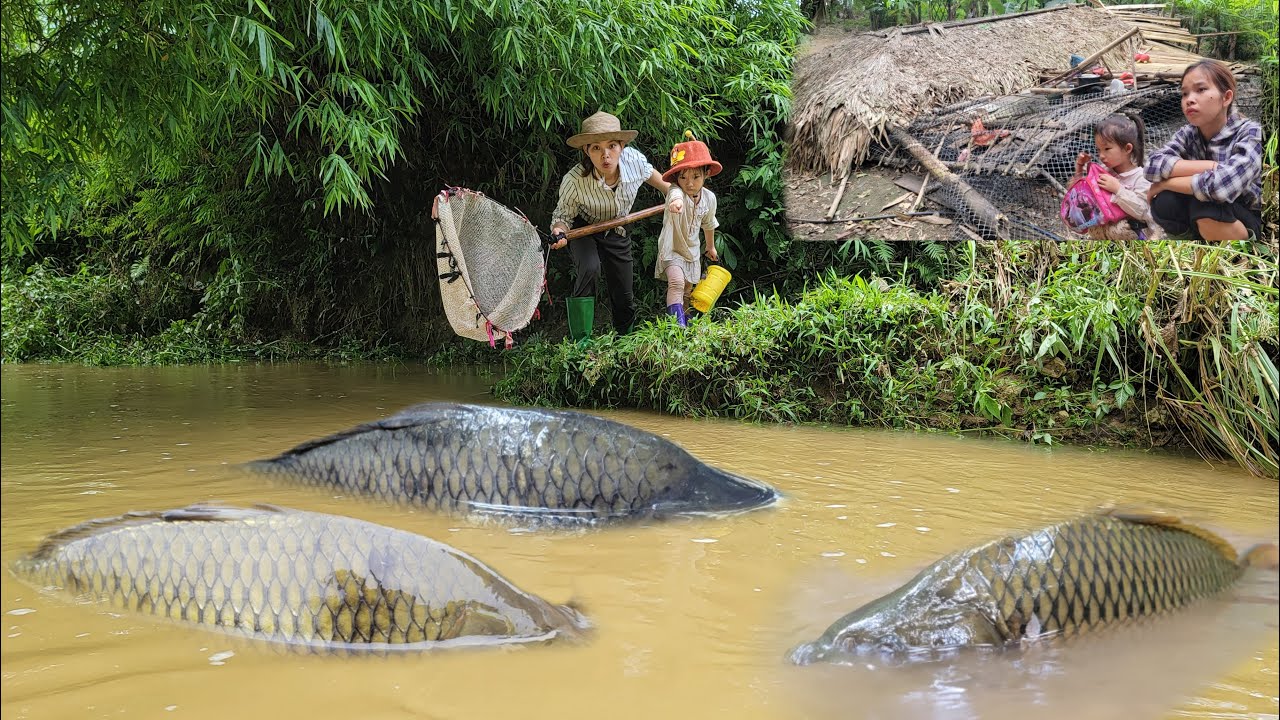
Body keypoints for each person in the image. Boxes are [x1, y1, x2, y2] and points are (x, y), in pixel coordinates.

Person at [549, 111, 670, 337]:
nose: (606, 155)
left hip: (618, 227)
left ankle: (625, 339)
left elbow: (666, 187)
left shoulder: (634, 161)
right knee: (589, 267)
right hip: (583, 227)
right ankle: (581, 342)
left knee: (623, 289)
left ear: (622, 146)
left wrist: (679, 197)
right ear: (586, 150)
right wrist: (559, 232)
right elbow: (562, 218)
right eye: (596, 148)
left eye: (612, 146)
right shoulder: (574, 181)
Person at [1145, 59, 1263, 241]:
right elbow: (1152, 165)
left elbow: (1221, 187)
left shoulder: (1250, 132)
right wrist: (1211, 165)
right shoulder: (1188, 133)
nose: (1189, 100)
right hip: (1201, 209)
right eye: (1185, 94)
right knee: (1164, 201)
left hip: (1242, 214)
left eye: (1201, 90)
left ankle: (1242, 249)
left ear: (1226, 97)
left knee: (1206, 205)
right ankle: (1191, 241)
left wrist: (1165, 183)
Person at [654, 131, 721, 327]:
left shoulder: (710, 199)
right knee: (675, 282)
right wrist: (675, 203)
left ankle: (687, 322)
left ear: (706, 173)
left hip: (692, 251)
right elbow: (674, 195)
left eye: (696, 176)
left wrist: (710, 247)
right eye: (683, 177)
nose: (689, 183)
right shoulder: (676, 191)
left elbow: (709, 224)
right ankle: (677, 328)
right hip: (672, 247)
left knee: (687, 290)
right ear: (677, 178)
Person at [1068, 114, 1160, 241]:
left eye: (1107, 149)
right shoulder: (1103, 170)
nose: (1101, 155)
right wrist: (1079, 167)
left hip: (1130, 237)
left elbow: (1143, 211)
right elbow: (1079, 195)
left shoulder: (1141, 178)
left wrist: (1118, 190)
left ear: (1127, 148)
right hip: (1102, 234)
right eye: (1099, 150)